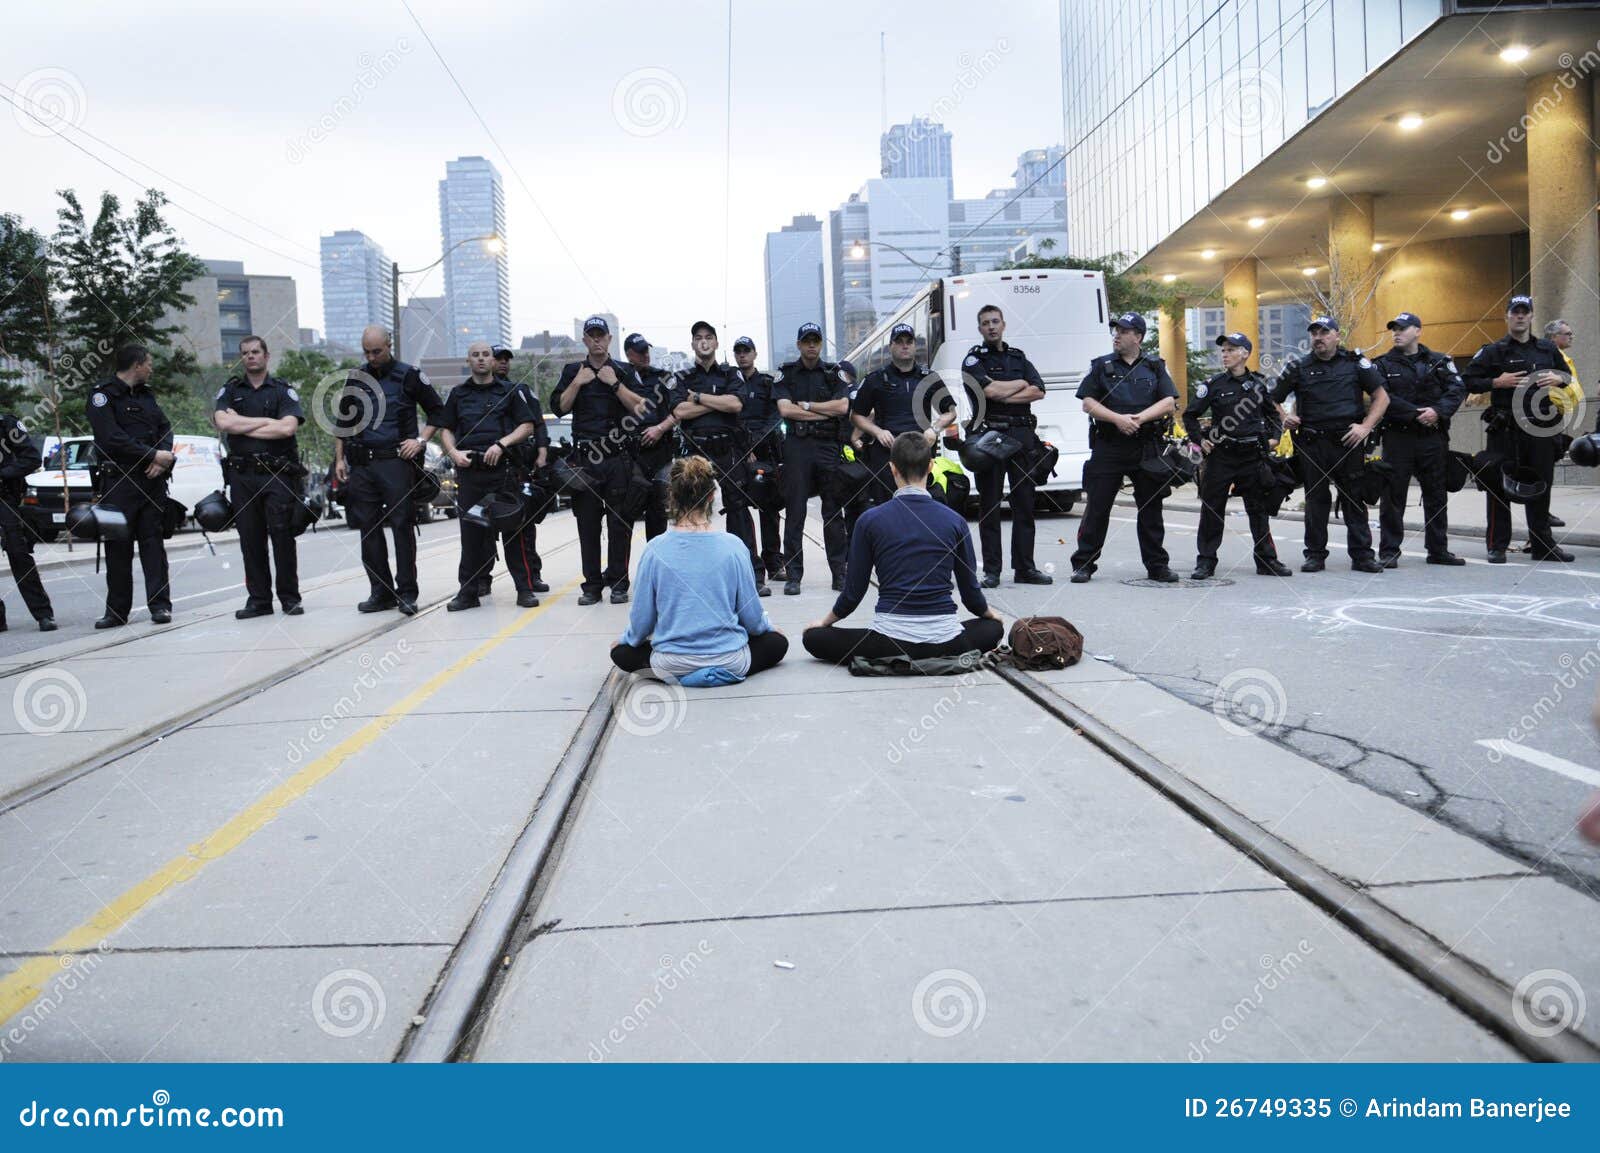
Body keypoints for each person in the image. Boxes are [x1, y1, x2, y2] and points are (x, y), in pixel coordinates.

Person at [804, 432, 1003, 664]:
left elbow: (853, 593)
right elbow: (971, 595)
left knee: (814, 638)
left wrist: (825, 622)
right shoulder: (954, 520)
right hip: (947, 641)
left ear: (892, 468)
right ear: (930, 466)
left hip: (889, 642)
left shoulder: (870, 520)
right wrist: (992, 616)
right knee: (992, 629)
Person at [610, 456, 788, 685]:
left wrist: (626, 640)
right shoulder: (734, 546)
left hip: (671, 665)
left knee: (621, 653)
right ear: (712, 496)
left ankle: (687, 675)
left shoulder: (654, 550)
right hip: (729, 660)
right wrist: (771, 628)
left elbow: (642, 621)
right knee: (777, 643)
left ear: (672, 495)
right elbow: (752, 619)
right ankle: (715, 672)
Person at [333, 324, 444, 614]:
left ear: (389, 345)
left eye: (377, 351)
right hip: (362, 464)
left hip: (396, 461)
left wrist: (420, 440)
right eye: (367, 352)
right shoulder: (356, 378)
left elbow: (438, 411)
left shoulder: (409, 375)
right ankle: (380, 592)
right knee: (367, 529)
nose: (371, 357)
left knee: (401, 526)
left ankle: (407, 592)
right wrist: (339, 459)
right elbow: (343, 422)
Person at [1270, 316, 1389, 573]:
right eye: (1314, 333)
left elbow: (1382, 397)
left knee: (1353, 499)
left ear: (1337, 336)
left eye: (1324, 332)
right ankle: (1315, 555)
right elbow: (1272, 399)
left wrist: (1365, 427)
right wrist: (1285, 417)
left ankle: (1362, 556)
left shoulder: (1355, 364)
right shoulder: (1298, 367)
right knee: (1316, 500)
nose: (1318, 337)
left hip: (1348, 441)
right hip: (1313, 443)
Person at [1068, 311, 1180, 583]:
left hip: (1146, 445)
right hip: (1110, 445)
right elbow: (1088, 403)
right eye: (1116, 330)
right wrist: (1118, 419)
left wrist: (1139, 419)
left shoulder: (1154, 366)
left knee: (1151, 509)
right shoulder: (1101, 365)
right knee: (1097, 507)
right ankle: (1084, 564)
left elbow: (1169, 402)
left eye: (1124, 331)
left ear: (1138, 337)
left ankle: (1157, 566)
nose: (1117, 335)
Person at [1463, 295, 1573, 563]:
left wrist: (1559, 378)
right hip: (1505, 429)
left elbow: (1567, 377)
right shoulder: (1493, 351)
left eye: (1525, 312)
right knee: (1498, 487)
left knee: (1541, 485)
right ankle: (1497, 546)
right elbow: (1468, 380)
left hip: (1539, 428)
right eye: (1515, 312)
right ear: (1507, 316)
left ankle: (1542, 546)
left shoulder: (1547, 349)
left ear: (1532, 316)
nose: (1520, 316)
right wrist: (1496, 382)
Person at [551, 314, 650, 604]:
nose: (596, 339)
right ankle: (592, 586)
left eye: (601, 335)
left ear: (609, 339)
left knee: (621, 523)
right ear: (585, 340)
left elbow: (642, 409)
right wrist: (577, 383)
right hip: (586, 459)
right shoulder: (572, 371)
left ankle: (619, 583)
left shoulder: (622, 370)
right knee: (588, 524)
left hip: (617, 456)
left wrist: (615, 384)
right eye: (591, 335)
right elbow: (559, 407)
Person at [439, 341, 540, 611]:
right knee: (471, 535)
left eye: (486, 355)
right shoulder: (458, 394)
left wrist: (502, 444)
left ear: (493, 360)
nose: (482, 359)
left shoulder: (510, 391)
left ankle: (524, 589)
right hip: (470, 472)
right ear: (468, 360)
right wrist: (453, 452)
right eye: (476, 355)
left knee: (513, 532)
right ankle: (468, 593)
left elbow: (527, 426)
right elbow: (445, 429)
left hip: (502, 471)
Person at [212, 335, 306, 619]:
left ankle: (290, 598)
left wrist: (242, 426)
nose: (250, 356)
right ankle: (259, 600)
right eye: (245, 353)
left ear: (266, 356)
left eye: (255, 352)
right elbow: (223, 422)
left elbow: (287, 429)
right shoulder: (229, 391)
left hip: (276, 475)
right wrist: (266, 422)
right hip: (242, 476)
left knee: (282, 537)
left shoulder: (282, 391)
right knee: (250, 540)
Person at [1184, 332, 1292, 579]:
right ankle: (1206, 562)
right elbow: (1190, 416)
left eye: (1231, 350)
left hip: (1252, 455)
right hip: (1222, 455)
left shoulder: (1258, 384)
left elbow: (1274, 415)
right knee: (1212, 509)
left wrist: (1275, 438)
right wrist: (1199, 441)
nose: (1225, 354)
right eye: (1223, 350)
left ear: (1245, 353)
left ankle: (1266, 560)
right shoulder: (1213, 385)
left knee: (1258, 510)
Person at [671, 321, 765, 594]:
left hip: (728, 450)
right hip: (696, 452)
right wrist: (716, 401)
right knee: (691, 511)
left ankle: (751, 574)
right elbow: (680, 412)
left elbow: (735, 404)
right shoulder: (683, 376)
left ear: (715, 343)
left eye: (708, 337)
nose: (703, 342)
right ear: (692, 344)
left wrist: (698, 398)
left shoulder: (730, 373)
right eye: (698, 338)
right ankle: (693, 575)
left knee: (738, 510)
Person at [86, 344, 175, 628]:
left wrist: (163, 459)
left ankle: (160, 606)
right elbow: (111, 437)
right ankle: (117, 611)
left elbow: (165, 428)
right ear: (137, 365)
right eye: (149, 363)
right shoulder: (102, 396)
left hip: (151, 480)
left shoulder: (147, 396)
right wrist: (152, 454)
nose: (151, 368)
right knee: (118, 546)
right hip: (118, 482)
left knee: (153, 545)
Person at [965, 304, 1053, 586]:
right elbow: (987, 391)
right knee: (989, 506)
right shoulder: (973, 360)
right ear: (979, 329)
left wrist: (1003, 393)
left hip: (1023, 437)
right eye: (985, 323)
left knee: (1025, 505)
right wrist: (1018, 385)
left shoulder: (1019, 357)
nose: (991, 326)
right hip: (991, 437)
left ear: (1003, 324)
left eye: (995, 321)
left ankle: (1025, 568)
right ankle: (992, 571)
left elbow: (1038, 391)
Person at [1374, 312, 1466, 567]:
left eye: (1403, 328)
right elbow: (1382, 397)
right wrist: (1416, 414)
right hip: (1398, 437)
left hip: (1432, 437)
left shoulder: (1439, 361)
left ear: (1418, 331)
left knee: (1436, 494)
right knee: (1393, 497)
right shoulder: (1382, 364)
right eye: (1394, 329)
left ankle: (1438, 550)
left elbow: (1457, 390)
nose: (1397, 333)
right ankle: (1389, 551)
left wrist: (1437, 411)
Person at [775, 322, 851, 595]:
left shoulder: (833, 373)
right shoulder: (786, 374)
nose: (811, 345)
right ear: (798, 344)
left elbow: (843, 407)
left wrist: (806, 406)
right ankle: (794, 576)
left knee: (833, 513)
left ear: (821, 344)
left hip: (827, 447)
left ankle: (839, 574)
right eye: (806, 340)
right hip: (798, 447)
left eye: (815, 340)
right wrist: (823, 412)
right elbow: (785, 410)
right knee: (795, 512)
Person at [852, 322, 954, 511]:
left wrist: (935, 429)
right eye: (899, 342)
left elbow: (950, 412)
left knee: (921, 508)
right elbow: (856, 416)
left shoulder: (928, 377)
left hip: (919, 453)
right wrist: (877, 431)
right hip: (886, 455)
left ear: (915, 346)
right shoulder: (875, 379)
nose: (904, 345)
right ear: (891, 346)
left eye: (909, 341)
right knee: (887, 509)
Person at [497, 345, 550, 593]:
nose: (503, 363)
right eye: (499, 358)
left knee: (523, 524)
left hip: (516, 463)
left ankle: (532, 575)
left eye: (507, 359)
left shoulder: (520, 391)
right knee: (480, 526)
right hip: (484, 467)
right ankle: (480, 580)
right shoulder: (469, 393)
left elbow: (538, 423)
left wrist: (541, 452)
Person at [734, 335, 785, 585]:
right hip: (739, 453)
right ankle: (749, 562)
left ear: (754, 354)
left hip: (765, 452)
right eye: (738, 351)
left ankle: (773, 562)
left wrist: (755, 443)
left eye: (746, 351)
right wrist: (745, 446)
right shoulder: (729, 383)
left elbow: (776, 415)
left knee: (770, 509)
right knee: (741, 510)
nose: (742, 355)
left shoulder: (766, 382)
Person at [0, 412, 55, 632]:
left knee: (18, 552)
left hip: (3, 497)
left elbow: (31, 458)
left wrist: (3, 473)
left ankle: (43, 614)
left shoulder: (6, 424)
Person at [624, 332, 678, 542]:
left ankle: (657, 567)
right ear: (629, 354)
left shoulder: (664, 376)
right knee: (626, 511)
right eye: (640, 352)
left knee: (658, 513)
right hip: (631, 456)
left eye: (647, 350)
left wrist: (660, 428)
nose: (645, 355)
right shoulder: (621, 377)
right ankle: (619, 574)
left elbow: (679, 409)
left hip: (660, 454)